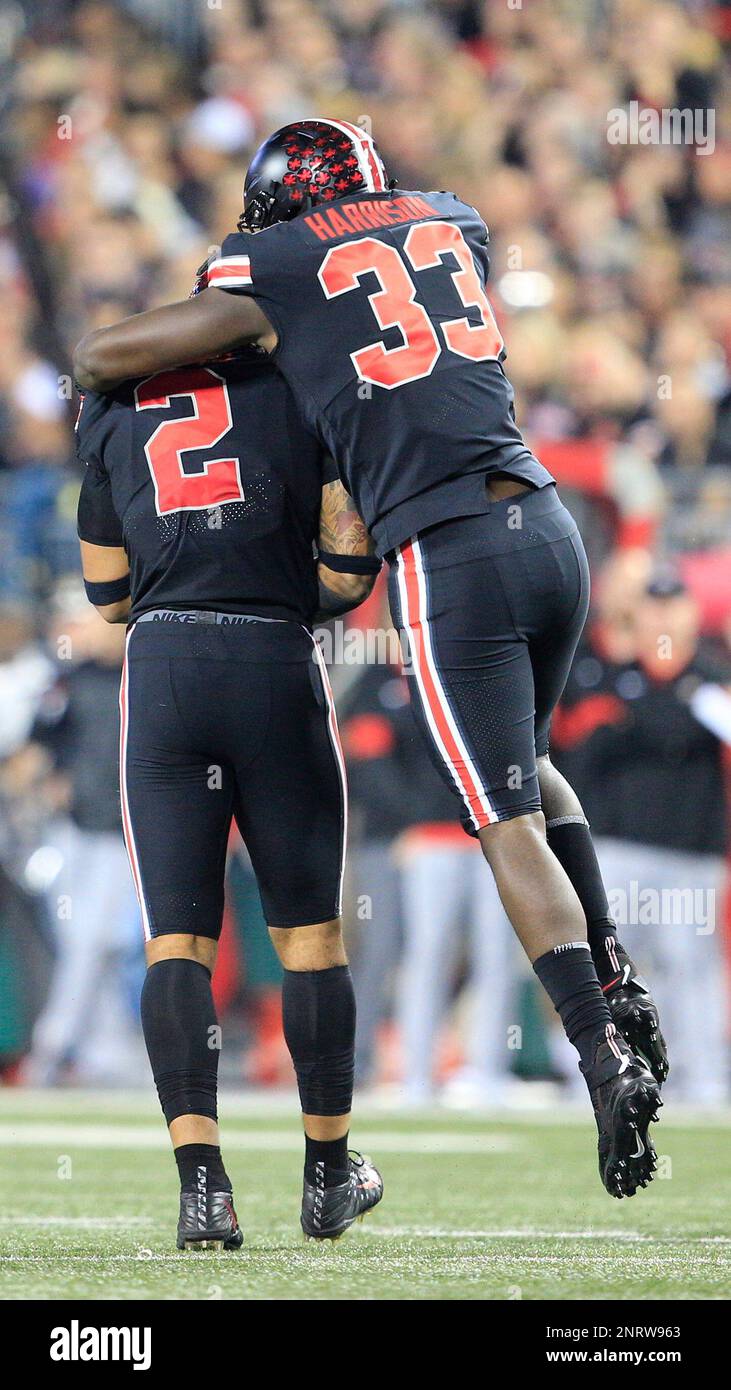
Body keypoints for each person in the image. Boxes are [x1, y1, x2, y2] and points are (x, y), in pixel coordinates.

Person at [74, 118, 667, 1198]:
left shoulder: (272, 262)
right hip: (547, 525)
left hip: (441, 551)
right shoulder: (456, 221)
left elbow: (107, 357)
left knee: (493, 815)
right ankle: (613, 983)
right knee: (526, 766)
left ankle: (595, 1045)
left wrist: (243, 323)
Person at [75, 338, 383, 1247]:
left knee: (176, 939)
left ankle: (202, 1187)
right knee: (310, 937)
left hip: (165, 662)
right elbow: (347, 571)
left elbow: (106, 593)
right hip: (272, 658)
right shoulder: (303, 383)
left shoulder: (112, 402)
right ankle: (327, 1174)